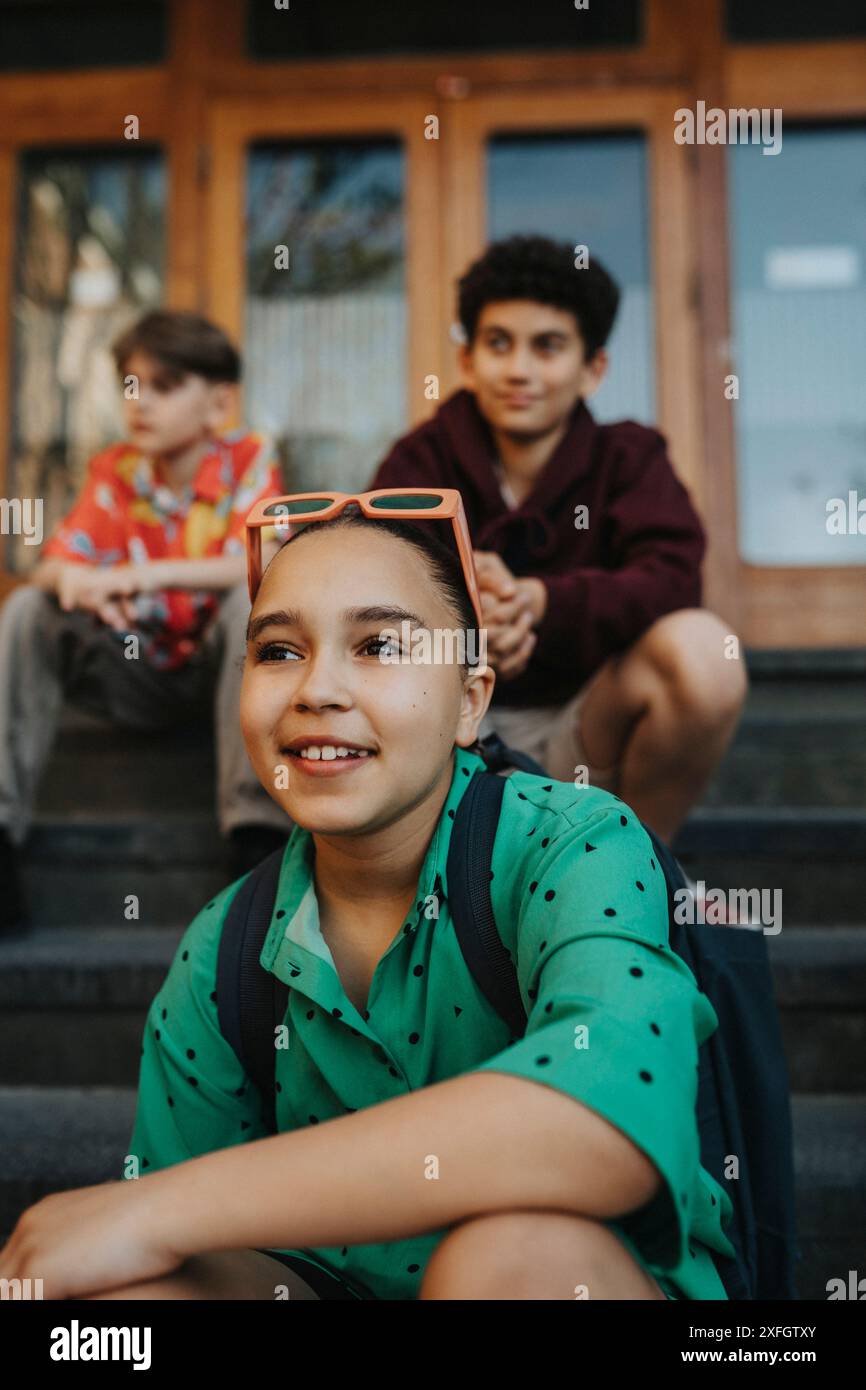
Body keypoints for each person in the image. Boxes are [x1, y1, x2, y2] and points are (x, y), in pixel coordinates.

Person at [0, 496, 738, 1300]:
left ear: (470, 700)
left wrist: (152, 1210)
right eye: (278, 650)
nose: (317, 688)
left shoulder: (575, 844)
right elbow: (163, 1249)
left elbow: (607, 1120)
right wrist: (139, 1236)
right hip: (322, 1283)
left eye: (378, 644)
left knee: (507, 1266)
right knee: (129, 1298)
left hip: (575, 1276)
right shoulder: (224, 954)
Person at [368, 235, 748, 846]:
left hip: (585, 727)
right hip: (445, 728)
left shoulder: (629, 457)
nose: (519, 369)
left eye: (547, 347)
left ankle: (641, 868)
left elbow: (672, 576)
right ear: (467, 362)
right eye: (498, 344)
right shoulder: (421, 459)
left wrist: (542, 602)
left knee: (706, 652)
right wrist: (473, 613)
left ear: (592, 368)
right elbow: (369, 579)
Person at [0, 310, 292, 935]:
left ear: (217, 403)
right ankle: (1, 833)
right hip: (135, 674)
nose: (140, 402)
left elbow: (261, 558)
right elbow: (56, 561)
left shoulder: (247, 459)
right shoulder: (116, 470)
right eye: (131, 385)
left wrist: (141, 576)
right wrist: (76, 582)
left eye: (162, 387)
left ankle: (255, 842)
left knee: (257, 601)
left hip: (222, 676)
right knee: (29, 608)